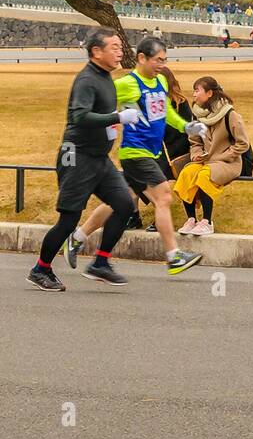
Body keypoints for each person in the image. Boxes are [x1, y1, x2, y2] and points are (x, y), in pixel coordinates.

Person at [63, 37, 204, 277]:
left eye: (164, 60)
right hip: (135, 153)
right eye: (158, 60)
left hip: (151, 152)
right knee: (164, 196)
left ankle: (77, 238)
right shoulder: (128, 83)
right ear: (142, 58)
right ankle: (173, 256)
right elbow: (98, 98)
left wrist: (185, 127)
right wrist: (113, 118)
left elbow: (166, 112)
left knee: (121, 201)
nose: (162, 65)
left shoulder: (160, 80)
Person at [28, 27, 143, 291]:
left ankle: (100, 263)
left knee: (125, 204)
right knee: (69, 220)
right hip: (76, 156)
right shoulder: (87, 80)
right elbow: (80, 116)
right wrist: (117, 118)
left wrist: (121, 114)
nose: (120, 51)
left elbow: (100, 114)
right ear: (96, 51)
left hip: (99, 159)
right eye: (113, 47)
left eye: (120, 47)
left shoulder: (105, 78)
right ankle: (40, 269)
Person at [173, 76, 250, 235]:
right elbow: (194, 141)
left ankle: (207, 221)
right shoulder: (197, 114)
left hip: (228, 162)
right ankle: (191, 219)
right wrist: (196, 154)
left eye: (197, 90)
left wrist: (224, 155)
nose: (193, 95)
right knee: (187, 173)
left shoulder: (230, 114)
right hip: (205, 160)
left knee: (204, 175)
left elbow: (243, 143)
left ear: (209, 93)